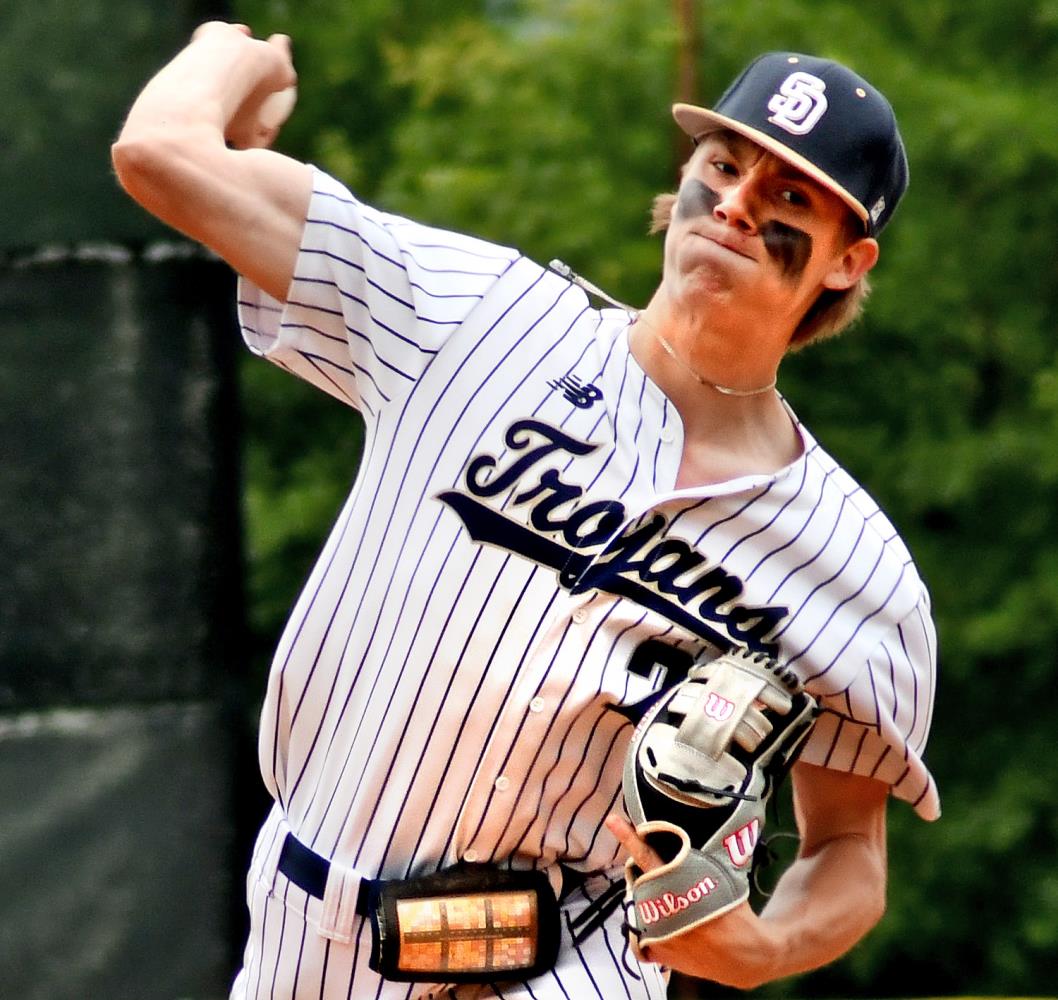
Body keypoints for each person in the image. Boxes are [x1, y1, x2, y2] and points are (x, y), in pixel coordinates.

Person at [112, 22, 939, 999]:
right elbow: (158, 153)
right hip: (304, 932)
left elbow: (847, 848)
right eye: (720, 162)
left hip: (564, 962)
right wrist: (235, 53)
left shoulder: (855, 570)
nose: (734, 201)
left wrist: (762, 947)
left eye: (789, 195)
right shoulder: (475, 316)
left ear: (846, 261)